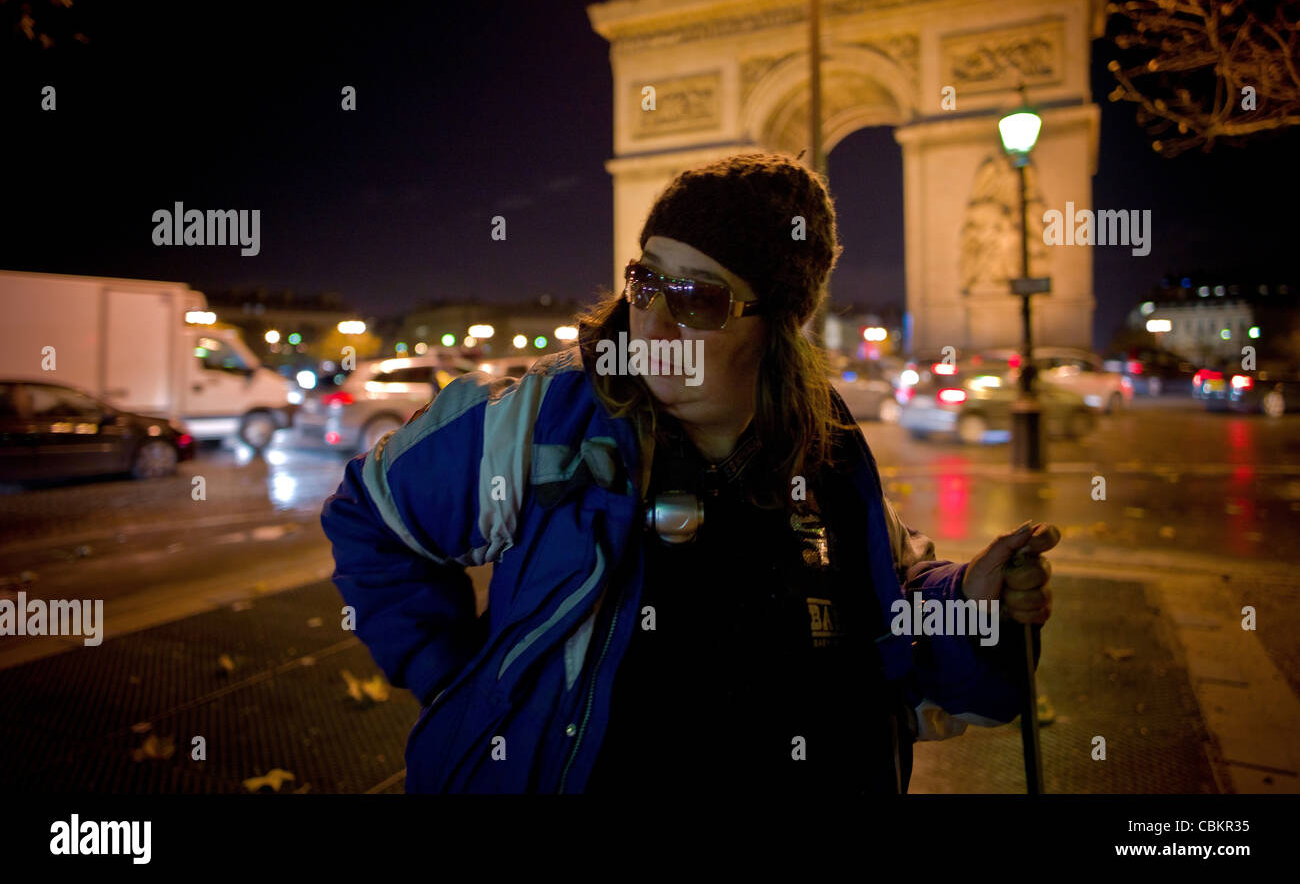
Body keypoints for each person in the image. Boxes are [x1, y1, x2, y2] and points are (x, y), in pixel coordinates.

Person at [320, 151, 1058, 794]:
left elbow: (890, 604)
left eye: (698, 299)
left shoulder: (827, 446)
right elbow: (371, 511)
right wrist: (458, 682)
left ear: (776, 327)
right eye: (646, 281)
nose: (654, 325)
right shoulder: (552, 413)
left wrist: (970, 603)